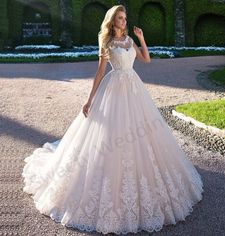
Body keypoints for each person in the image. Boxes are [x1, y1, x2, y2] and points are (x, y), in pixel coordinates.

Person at [22, 5, 204, 235]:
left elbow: (146, 59)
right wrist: (89, 100)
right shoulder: (106, 41)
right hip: (113, 90)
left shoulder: (130, 40)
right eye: (119, 18)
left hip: (135, 91)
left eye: (125, 18)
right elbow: (100, 71)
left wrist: (141, 38)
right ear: (112, 20)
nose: (123, 21)